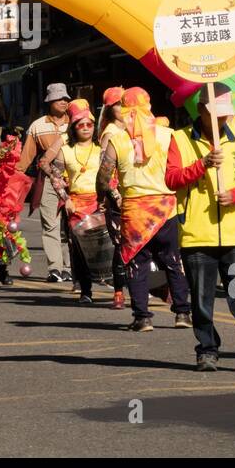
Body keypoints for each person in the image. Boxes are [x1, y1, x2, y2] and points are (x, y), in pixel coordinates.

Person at [166, 90, 235, 371]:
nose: (223, 118)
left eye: (226, 112)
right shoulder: (179, 139)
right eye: (216, 113)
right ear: (200, 110)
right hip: (196, 234)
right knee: (202, 300)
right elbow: (172, 178)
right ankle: (207, 350)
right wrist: (202, 165)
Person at [97, 87, 191, 332]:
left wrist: (102, 196)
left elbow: (104, 176)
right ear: (149, 105)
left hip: (135, 211)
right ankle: (182, 313)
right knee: (172, 261)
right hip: (166, 208)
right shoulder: (169, 134)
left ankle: (142, 317)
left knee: (137, 263)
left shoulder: (118, 138)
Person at [40, 99, 102, 303]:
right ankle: (85, 290)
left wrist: (110, 198)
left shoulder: (103, 149)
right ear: (74, 128)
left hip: (99, 203)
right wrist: (65, 198)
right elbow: (55, 176)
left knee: (107, 248)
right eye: (80, 124)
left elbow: (112, 177)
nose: (85, 128)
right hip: (76, 204)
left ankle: (116, 287)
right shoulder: (65, 150)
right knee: (80, 251)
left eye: (89, 124)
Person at [19, 84, 72, 284]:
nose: (64, 102)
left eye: (66, 98)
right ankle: (55, 269)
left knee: (70, 226)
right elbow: (26, 158)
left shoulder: (76, 122)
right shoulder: (37, 126)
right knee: (51, 224)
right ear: (49, 102)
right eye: (59, 99)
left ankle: (69, 267)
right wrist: (14, 178)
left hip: (74, 180)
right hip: (49, 180)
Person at [96, 86, 129, 309]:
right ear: (110, 108)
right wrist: (114, 195)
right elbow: (105, 170)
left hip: (136, 192)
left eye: (124, 102)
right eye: (118, 104)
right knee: (120, 244)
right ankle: (118, 291)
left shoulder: (133, 127)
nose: (122, 107)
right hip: (118, 197)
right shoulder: (110, 132)